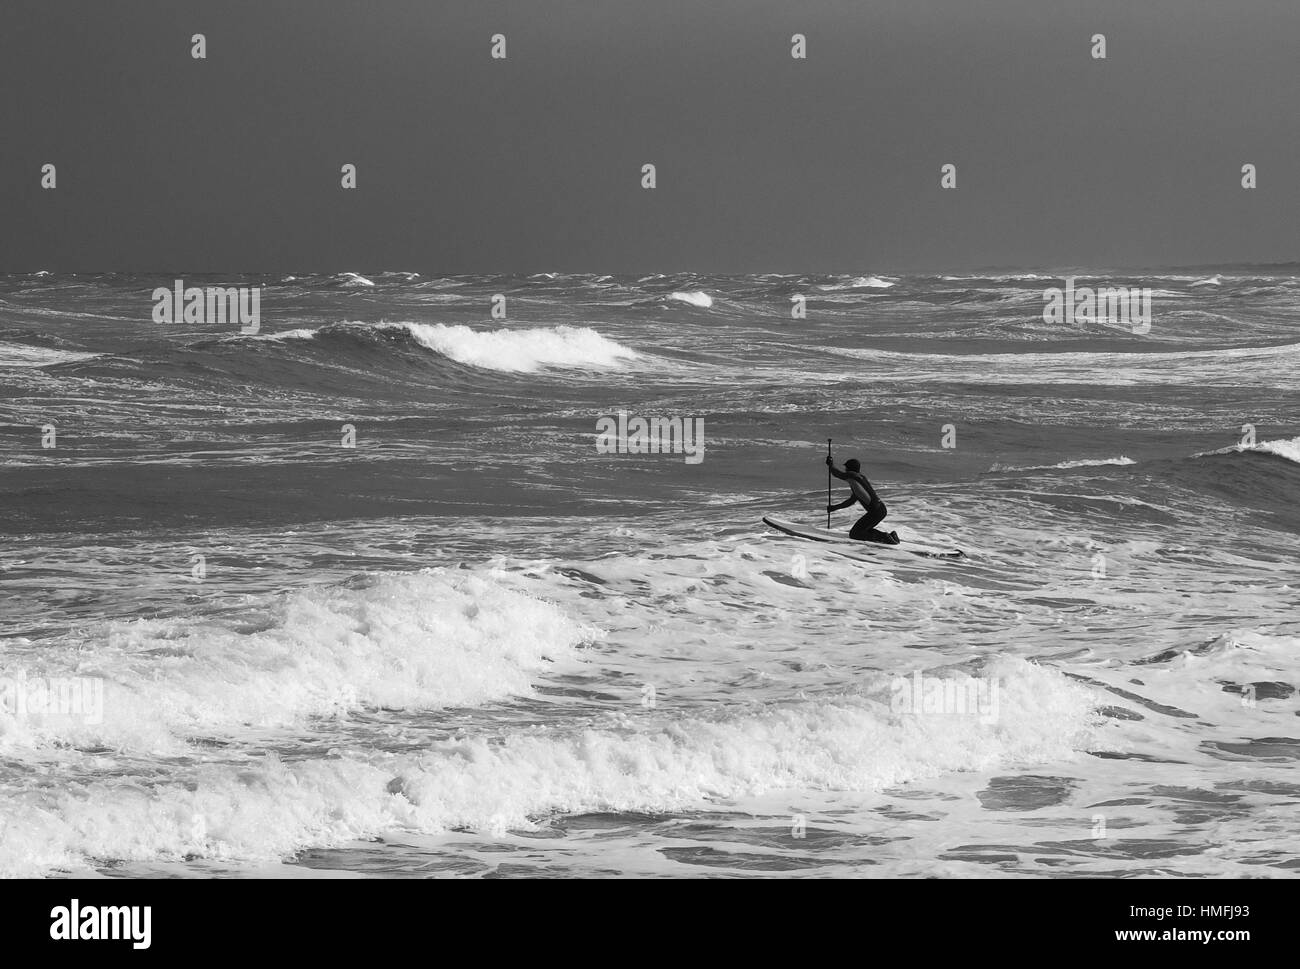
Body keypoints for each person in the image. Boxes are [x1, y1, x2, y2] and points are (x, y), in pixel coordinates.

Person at [826, 455, 900, 544]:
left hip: (875, 511)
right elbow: (851, 501)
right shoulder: (859, 480)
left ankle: (884, 537)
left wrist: (831, 464)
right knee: (861, 530)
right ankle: (890, 536)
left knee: (854, 534)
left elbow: (838, 474)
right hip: (880, 510)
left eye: (846, 467)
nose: (845, 470)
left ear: (848, 468)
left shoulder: (852, 475)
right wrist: (834, 508)